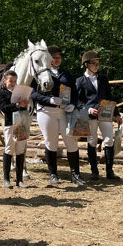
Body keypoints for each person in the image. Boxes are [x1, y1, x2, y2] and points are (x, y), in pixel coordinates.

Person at [30, 45, 86, 186]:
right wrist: (48, 99)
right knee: (51, 142)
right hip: (47, 111)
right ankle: (53, 174)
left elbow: (74, 91)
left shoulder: (66, 73)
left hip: (65, 112)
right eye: (54, 57)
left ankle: (76, 174)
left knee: (71, 141)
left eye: (59, 57)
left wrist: (73, 104)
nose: (57, 59)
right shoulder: (39, 73)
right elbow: (32, 93)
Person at [76, 50, 122, 180]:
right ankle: (94, 171)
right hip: (90, 116)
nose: (97, 66)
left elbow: (110, 97)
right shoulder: (80, 81)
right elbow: (77, 102)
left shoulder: (103, 79)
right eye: (94, 63)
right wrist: (88, 110)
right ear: (86, 64)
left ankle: (109, 171)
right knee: (92, 141)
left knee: (109, 140)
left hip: (105, 115)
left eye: (98, 63)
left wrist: (117, 115)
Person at [0, 70, 29, 188]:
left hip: (21, 123)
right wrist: (16, 105)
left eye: (15, 81)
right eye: (10, 81)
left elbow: (24, 109)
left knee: (20, 149)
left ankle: (19, 180)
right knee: (9, 148)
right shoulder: (2, 93)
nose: (13, 83)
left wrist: (25, 104)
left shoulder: (20, 92)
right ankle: (6, 179)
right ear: (5, 81)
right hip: (10, 124)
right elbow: (4, 108)